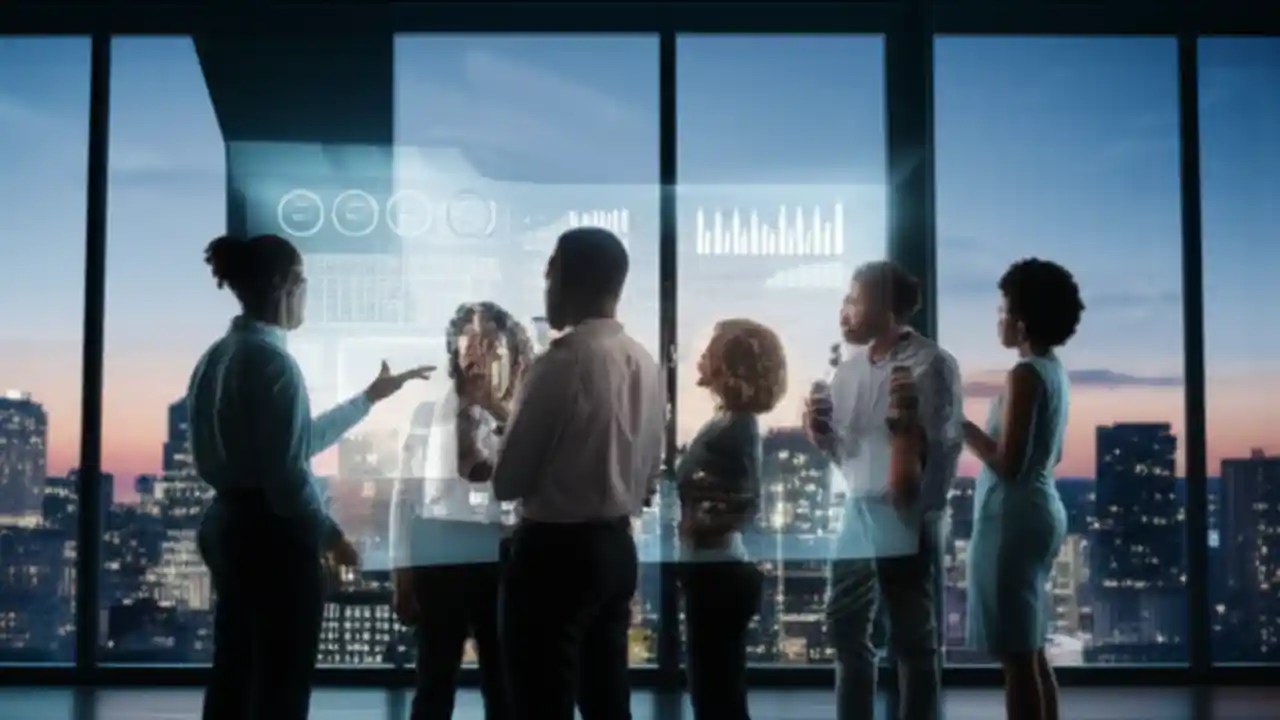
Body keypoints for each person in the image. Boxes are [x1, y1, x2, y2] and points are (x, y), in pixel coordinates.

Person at [189, 234, 432, 720]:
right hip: (272, 535)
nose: (306, 296)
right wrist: (331, 535)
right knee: (283, 677)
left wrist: (369, 397)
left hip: (227, 526)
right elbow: (286, 474)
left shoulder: (216, 357)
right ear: (287, 285)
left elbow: (293, 444)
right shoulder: (273, 363)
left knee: (235, 670)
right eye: (304, 283)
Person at [493, 227, 665, 720]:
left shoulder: (560, 363)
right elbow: (650, 476)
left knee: (540, 702)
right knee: (608, 701)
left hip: (553, 556)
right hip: (616, 550)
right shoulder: (646, 363)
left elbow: (509, 482)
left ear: (559, 275)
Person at [804, 260, 963, 720]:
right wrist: (820, 435)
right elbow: (845, 454)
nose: (844, 310)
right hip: (856, 509)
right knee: (845, 627)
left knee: (912, 637)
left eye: (854, 299)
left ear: (887, 308)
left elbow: (942, 451)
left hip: (905, 513)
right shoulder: (847, 371)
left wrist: (917, 515)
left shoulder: (931, 364)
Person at [391, 301, 533, 720]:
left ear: (509, 353)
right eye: (469, 344)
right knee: (433, 683)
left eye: (490, 345)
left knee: (504, 683)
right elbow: (404, 496)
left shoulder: (521, 417)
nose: (477, 355)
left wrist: (497, 409)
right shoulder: (427, 415)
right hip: (440, 550)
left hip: (500, 552)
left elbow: (535, 475)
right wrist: (402, 572)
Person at [962, 258, 1082, 720]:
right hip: (1042, 509)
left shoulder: (1025, 375)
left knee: (1016, 656)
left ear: (1022, 321)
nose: (999, 319)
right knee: (1030, 648)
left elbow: (1008, 463)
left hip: (1012, 518)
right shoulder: (1055, 372)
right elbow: (1052, 455)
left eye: (1003, 310)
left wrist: (961, 426)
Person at [678, 319, 787, 720]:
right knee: (713, 691)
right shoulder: (726, 420)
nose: (702, 356)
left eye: (711, 350)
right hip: (710, 570)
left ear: (729, 362)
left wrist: (699, 526)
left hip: (718, 573)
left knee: (716, 694)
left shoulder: (737, 425)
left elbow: (746, 500)